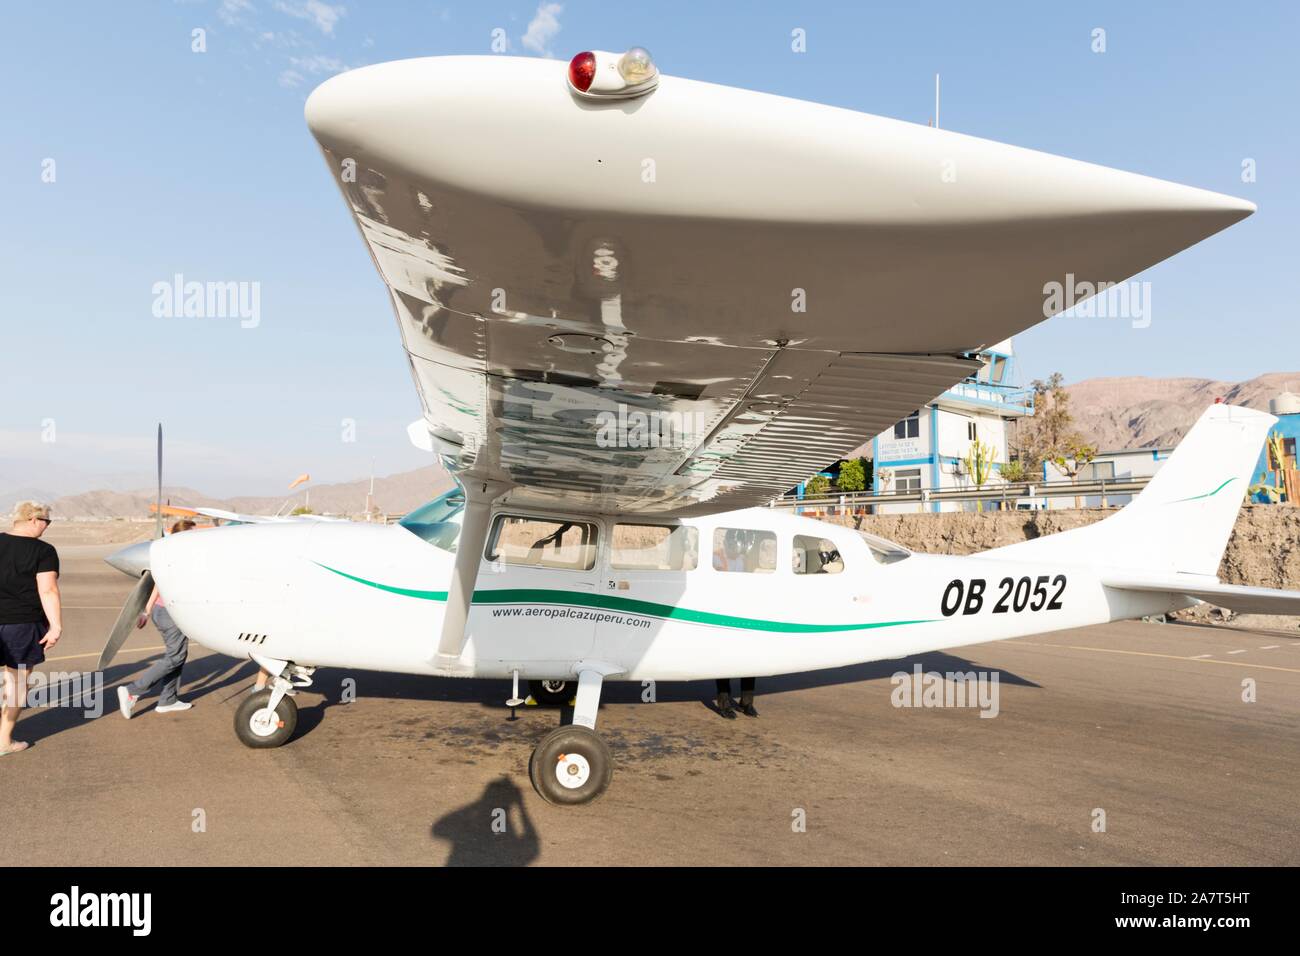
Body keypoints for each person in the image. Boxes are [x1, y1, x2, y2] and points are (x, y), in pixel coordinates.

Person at [0, 502, 62, 756]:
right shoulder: (43, 551)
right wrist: (56, 625)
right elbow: (47, 589)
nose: (47, 527)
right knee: (18, 683)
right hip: (22, 624)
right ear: (34, 520)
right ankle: (3, 741)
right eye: (47, 522)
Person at [117, 520, 196, 718]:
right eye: (193, 534)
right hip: (171, 613)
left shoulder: (173, 556)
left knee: (177, 655)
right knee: (175, 656)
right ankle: (132, 691)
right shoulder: (180, 558)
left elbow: (158, 584)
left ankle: (168, 700)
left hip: (164, 611)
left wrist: (148, 610)